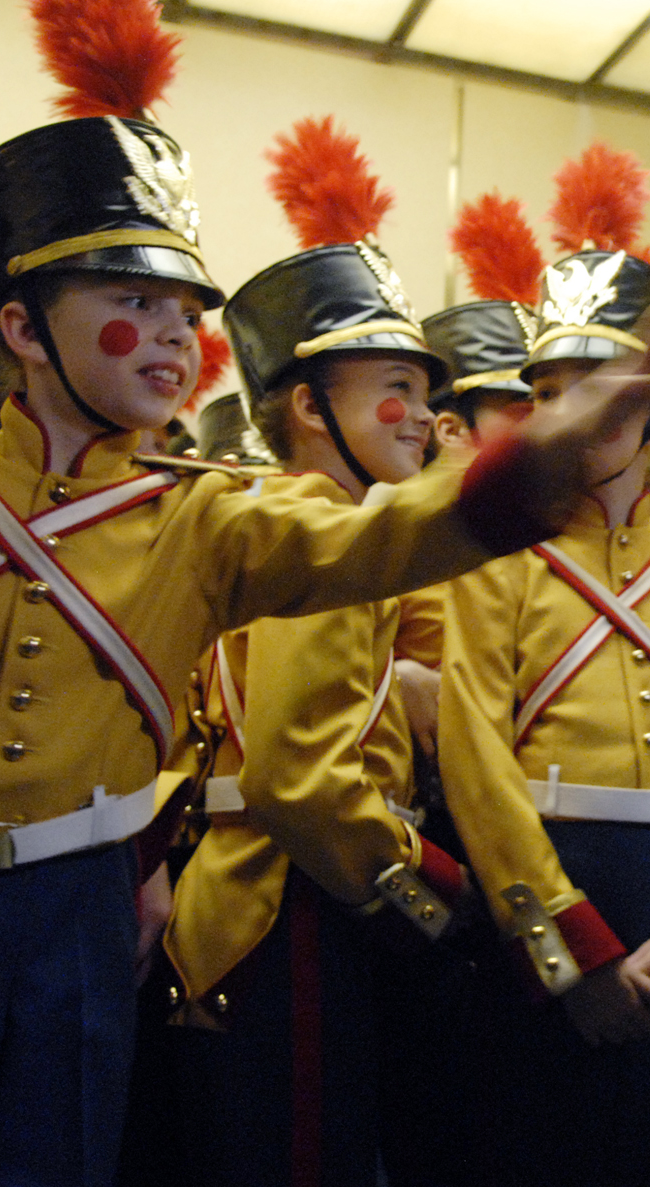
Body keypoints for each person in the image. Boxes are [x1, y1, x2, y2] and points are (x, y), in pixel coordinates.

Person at [0, 0, 650, 1187]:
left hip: (81, 905)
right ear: (20, 328)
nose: (171, 338)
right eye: (128, 299)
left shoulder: (205, 517)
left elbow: (379, 541)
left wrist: (540, 457)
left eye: (182, 311)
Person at [434, 145, 650, 1186]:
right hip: (548, 876)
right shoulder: (497, 561)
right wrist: (568, 947)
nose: (570, 415)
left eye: (600, 391)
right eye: (548, 393)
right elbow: (474, 756)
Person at [150, 115, 471, 1187]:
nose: (420, 415)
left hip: (268, 900)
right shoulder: (318, 532)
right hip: (291, 906)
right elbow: (298, 778)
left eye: (425, 390)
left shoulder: (288, 516)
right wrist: (434, 886)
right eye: (394, 387)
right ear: (305, 404)